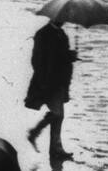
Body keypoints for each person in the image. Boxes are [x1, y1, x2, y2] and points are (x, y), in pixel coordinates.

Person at [26, 18, 77, 162]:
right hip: (48, 83)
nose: (64, 21)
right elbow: (36, 60)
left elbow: (61, 57)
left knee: (58, 115)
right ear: (54, 18)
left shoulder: (61, 34)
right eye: (62, 18)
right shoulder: (43, 34)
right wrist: (43, 81)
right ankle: (36, 134)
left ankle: (54, 149)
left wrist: (70, 56)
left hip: (60, 82)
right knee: (57, 114)